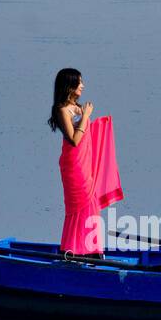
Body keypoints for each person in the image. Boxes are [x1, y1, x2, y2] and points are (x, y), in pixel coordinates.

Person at [49, 68, 123, 255]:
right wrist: (86, 117)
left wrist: (98, 124)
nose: (83, 85)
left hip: (86, 163)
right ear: (69, 85)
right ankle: (72, 249)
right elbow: (74, 140)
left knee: (91, 202)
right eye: (79, 82)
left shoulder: (78, 108)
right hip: (73, 165)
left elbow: (86, 134)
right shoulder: (61, 110)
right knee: (79, 204)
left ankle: (91, 249)